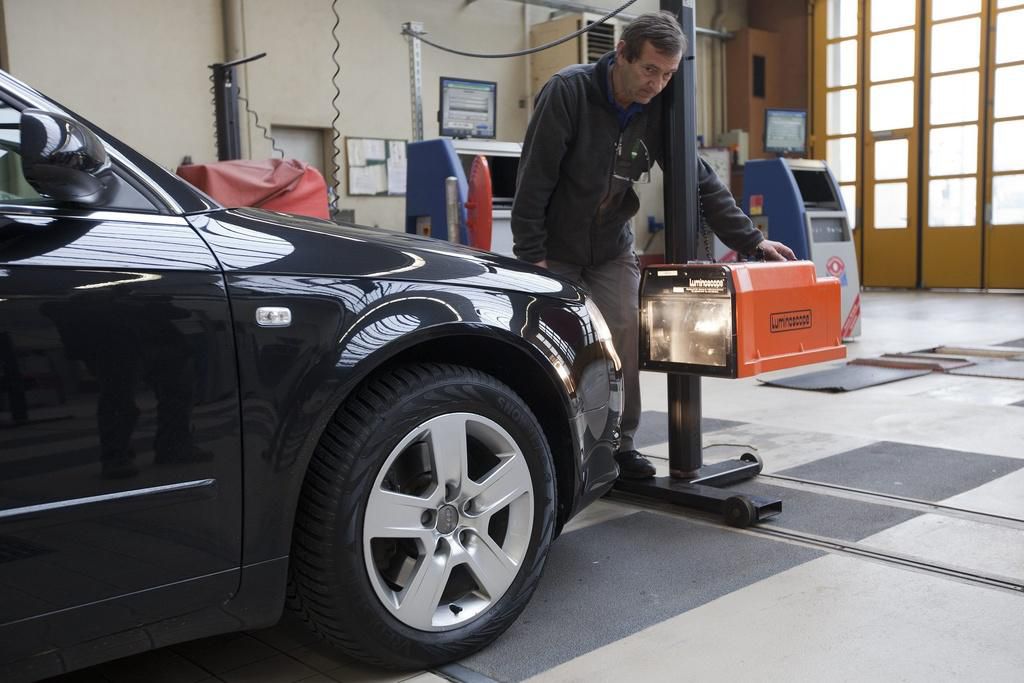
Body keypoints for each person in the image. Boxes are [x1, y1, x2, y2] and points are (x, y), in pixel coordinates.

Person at [511, 10, 796, 480]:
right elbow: (534, 182)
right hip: (554, 250)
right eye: (649, 70)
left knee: (624, 340)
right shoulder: (569, 93)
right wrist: (532, 258)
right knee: (559, 350)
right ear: (622, 53)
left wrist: (752, 241)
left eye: (668, 74)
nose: (657, 83)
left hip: (610, 247)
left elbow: (698, 178)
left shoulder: (658, 109)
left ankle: (620, 446)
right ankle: (560, 447)